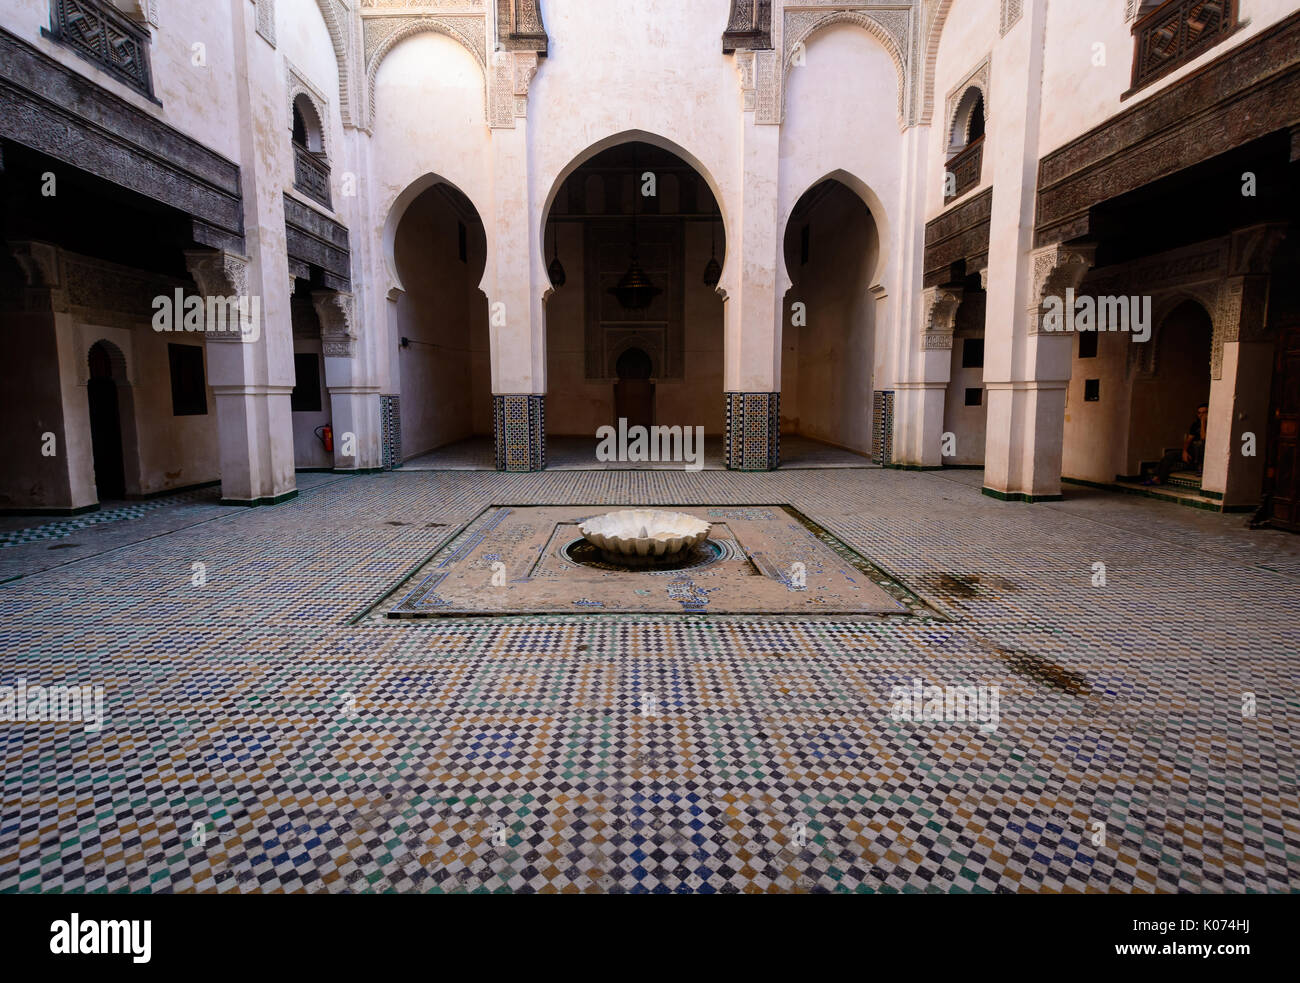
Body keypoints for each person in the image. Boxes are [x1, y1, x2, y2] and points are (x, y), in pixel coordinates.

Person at [1146, 403, 1208, 485]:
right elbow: (1188, 440)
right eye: (1199, 413)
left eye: (1204, 412)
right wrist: (1184, 451)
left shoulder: (1212, 425)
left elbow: (1203, 438)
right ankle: (1158, 477)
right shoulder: (1195, 425)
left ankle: (1200, 466)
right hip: (1193, 452)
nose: (1201, 415)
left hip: (1204, 454)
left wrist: (1203, 422)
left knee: (1199, 444)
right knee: (1170, 454)